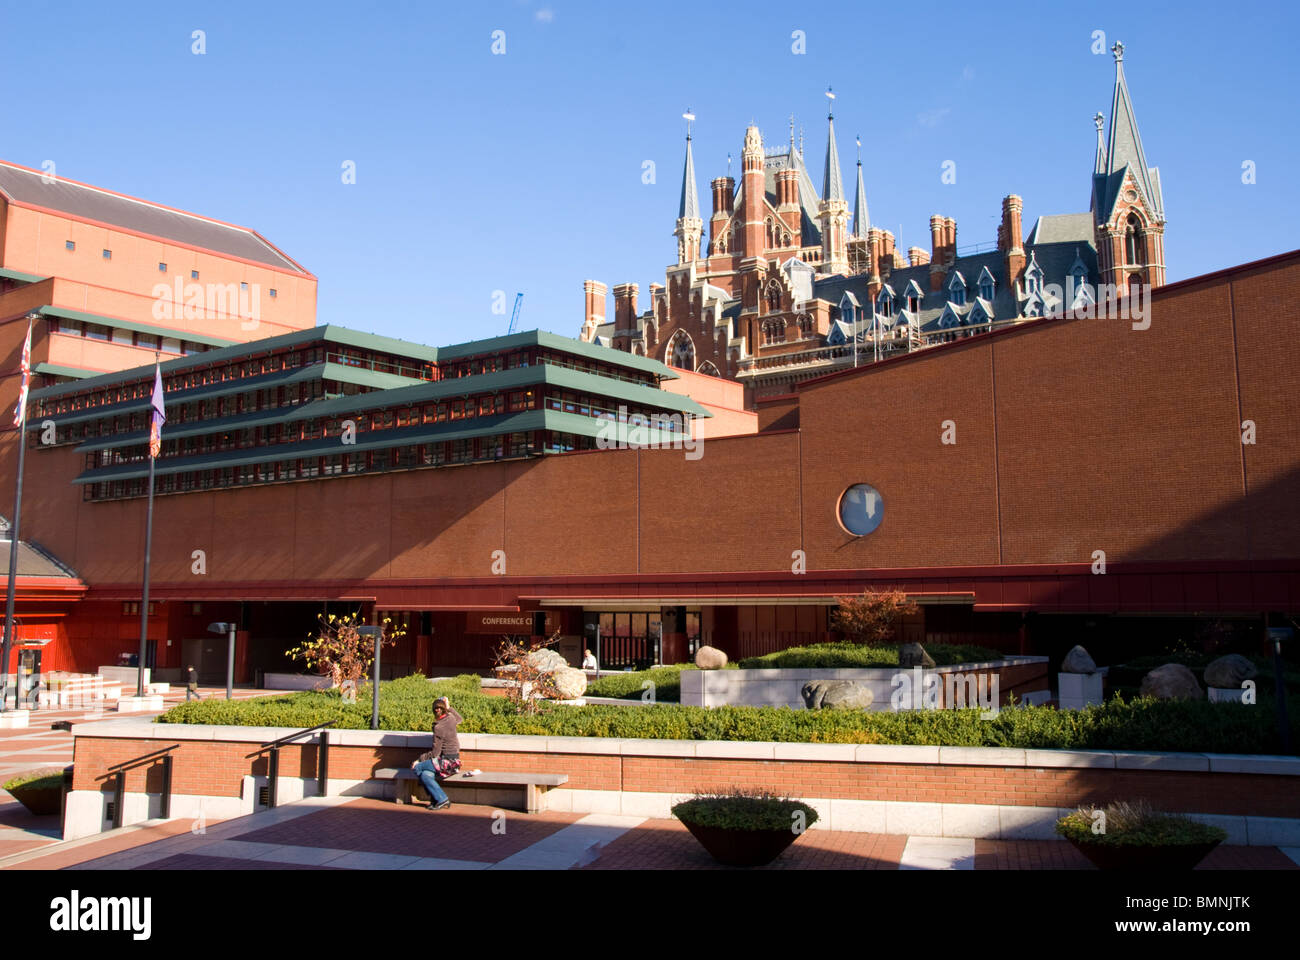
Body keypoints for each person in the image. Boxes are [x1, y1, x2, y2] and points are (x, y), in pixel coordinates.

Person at [411, 696, 462, 810]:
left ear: (434, 711)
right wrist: (449, 707)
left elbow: (435, 753)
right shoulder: (450, 719)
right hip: (455, 761)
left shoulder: (439, 727)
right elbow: (460, 719)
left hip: (446, 763)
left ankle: (441, 799)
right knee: (425, 775)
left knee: (417, 768)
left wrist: (419, 760)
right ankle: (436, 799)